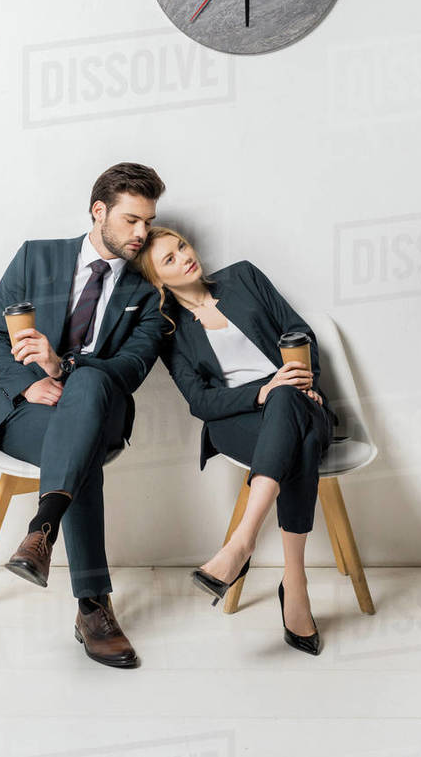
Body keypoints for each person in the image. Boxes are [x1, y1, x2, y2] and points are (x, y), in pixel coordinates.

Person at [0, 163, 166, 668]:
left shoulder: (147, 292)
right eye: (132, 220)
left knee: (92, 385)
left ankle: (41, 529)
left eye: (148, 222)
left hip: (101, 404)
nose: (142, 233)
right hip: (27, 413)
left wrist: (63, 364)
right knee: (81, 451)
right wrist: (31, 383)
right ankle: (92, 605)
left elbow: (130, 368)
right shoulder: (37, 257)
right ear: (99, 212)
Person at [139, 227, 336, 656]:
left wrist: (306, 382)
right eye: (169, 260)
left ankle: (240, 545)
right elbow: (199, 400)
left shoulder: (243, 278)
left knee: (289, 408)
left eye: (182, 247)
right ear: (158, 281)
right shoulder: (168, 331)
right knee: (286, 417)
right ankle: (295, 585)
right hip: (238, 421)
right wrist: (261, 392)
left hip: (303, 402)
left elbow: (299, 332)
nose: (184, 258)